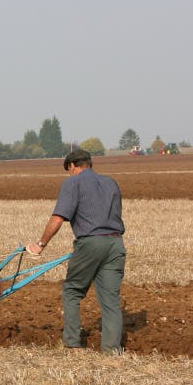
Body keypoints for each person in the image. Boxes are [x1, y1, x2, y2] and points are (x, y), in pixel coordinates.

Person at [26, 149, 126, 354]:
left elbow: (58, 218)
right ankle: (112, 350)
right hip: (116, 244)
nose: (69, 174)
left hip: (90, 243)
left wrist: (40, 244)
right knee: (111, 300)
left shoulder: (73, 183)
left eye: (68, 170)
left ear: (72, 166)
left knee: (72, 290)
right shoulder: (111, 183)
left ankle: (72, 344)